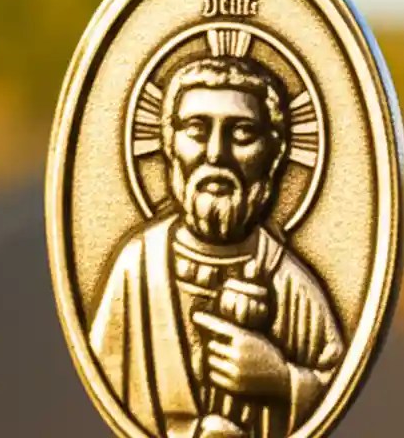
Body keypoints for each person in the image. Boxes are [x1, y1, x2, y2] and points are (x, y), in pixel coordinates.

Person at [90, 56, 345, 438]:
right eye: (196, 129)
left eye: (241, 133)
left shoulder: (294, 289)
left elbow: (337, 381)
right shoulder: (136, 270)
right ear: (169, 144)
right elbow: (102, 377)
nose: (215, 153)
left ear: (273, 153)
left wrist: (279, 379)